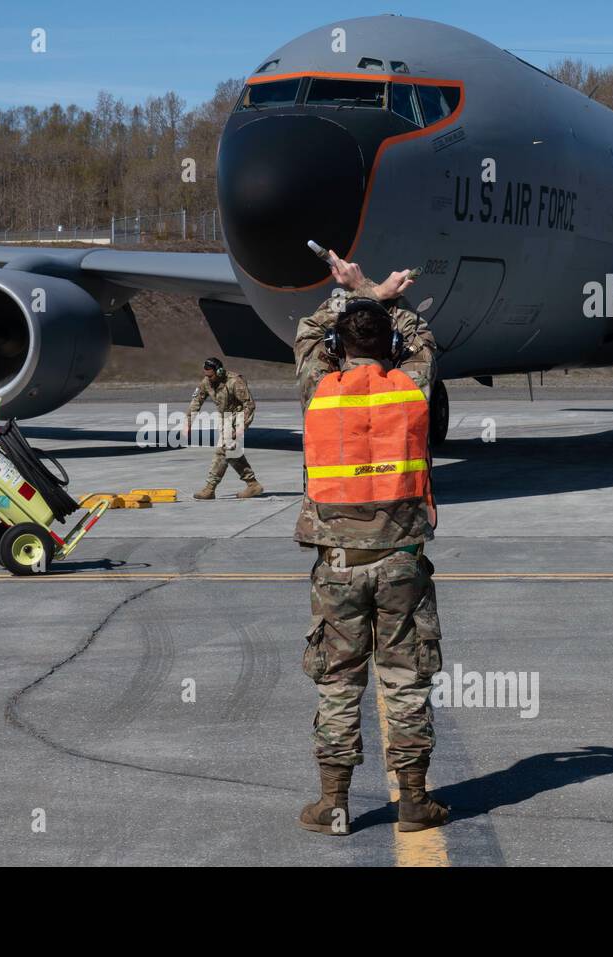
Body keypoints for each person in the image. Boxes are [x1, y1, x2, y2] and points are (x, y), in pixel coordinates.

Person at [293, 253, 448, 836]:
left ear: (338, 344)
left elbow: (309, 333)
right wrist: (385, 295)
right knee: (405, 678)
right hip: (401, 561)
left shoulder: (318, 387)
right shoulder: (411, 386)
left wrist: (354, 292)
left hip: (338, 563)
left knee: (338, 680)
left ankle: (333, 802)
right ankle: (413, 800)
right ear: (390, 345)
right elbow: (422, 336)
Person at [185, 357, 264, 500]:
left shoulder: (235, 382)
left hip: (238, 416)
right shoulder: (207, 382)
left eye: (210, 375)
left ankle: (210, 488)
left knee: (222, 450)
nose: (207, 378)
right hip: (224, 419)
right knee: (232, 453)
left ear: (219, 371)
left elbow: (249, 405)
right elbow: (197, 400)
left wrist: (241, 427)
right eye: (206, 374)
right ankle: (253, 484)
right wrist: (188, 422)